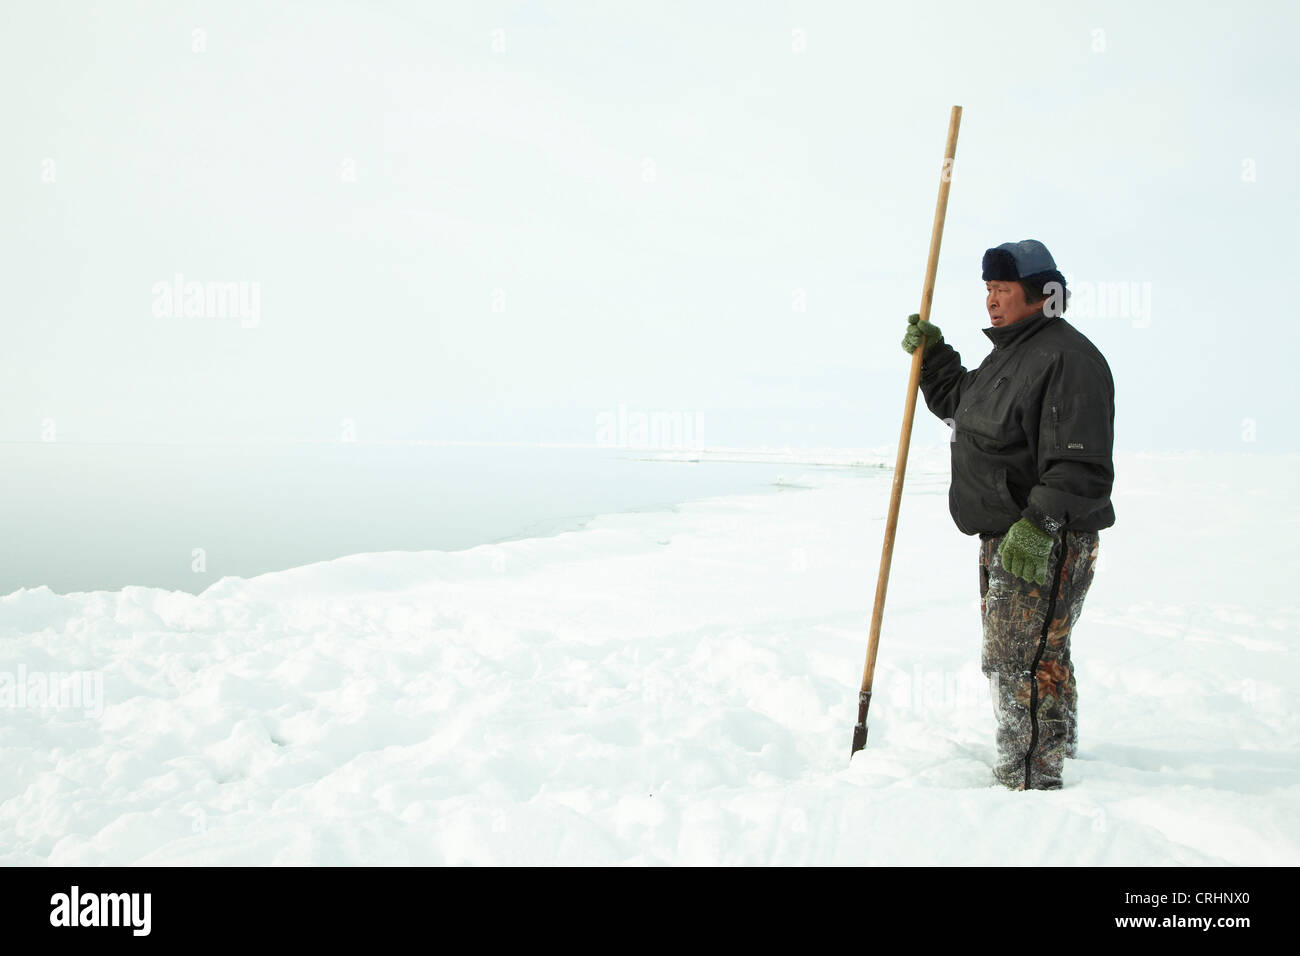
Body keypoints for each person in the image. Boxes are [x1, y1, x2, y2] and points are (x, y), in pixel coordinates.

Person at [901, 239, 1115, 790]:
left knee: (1016, 662)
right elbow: (964, 406)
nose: (992, 301)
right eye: (988, 290)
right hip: (1005, 535)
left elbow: (1080, 464)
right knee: (1042, 653)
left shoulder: (1068, 360)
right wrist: (936, 356)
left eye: (1002, 289)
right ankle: (1055, 751)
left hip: (1044, 537)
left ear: (1043, 294)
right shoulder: (1010, 356)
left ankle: (1028, 783)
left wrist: (1039, 525)